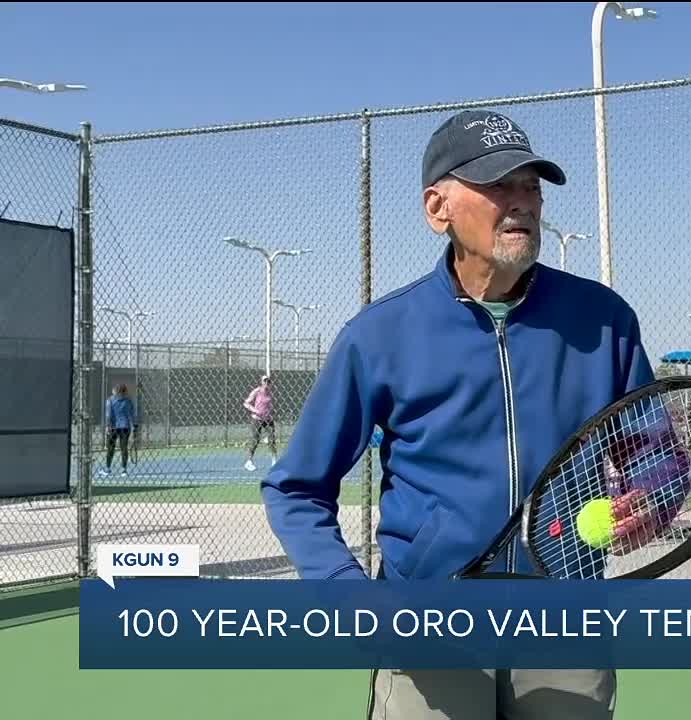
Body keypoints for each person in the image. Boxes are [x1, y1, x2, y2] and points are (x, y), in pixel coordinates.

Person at [261, 110, 653, 720]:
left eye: (531, 186)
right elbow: (296, 488)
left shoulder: (605, 321)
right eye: (499, 186)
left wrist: (650, 498)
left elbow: (652, 455)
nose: (521, 202)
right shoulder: (379, 336)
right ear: (437, 208)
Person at [242, 374, 277, 471]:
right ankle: (249, 462)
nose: (266, 383)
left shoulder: (270, 392)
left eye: (268, 381)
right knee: (255, 439)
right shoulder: (257, 391)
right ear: (261, 382)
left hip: (268, 420)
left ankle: (274, 461)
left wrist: (271, 412)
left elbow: (270, 405)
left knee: (271, 439)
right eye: (265, 381)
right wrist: (255, 410)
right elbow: (246, 403)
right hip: (257, 419)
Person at [100, 383, 135, 477]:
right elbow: (132, 414)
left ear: (115, 390)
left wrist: (107, 426)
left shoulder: (110, 400)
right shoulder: (128, 401)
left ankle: (107, 469)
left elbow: (108, 415)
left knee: (110, 448)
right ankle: (124, 470)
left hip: (113, 428)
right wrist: (134, 426)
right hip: (125, 427)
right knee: (124, 448)